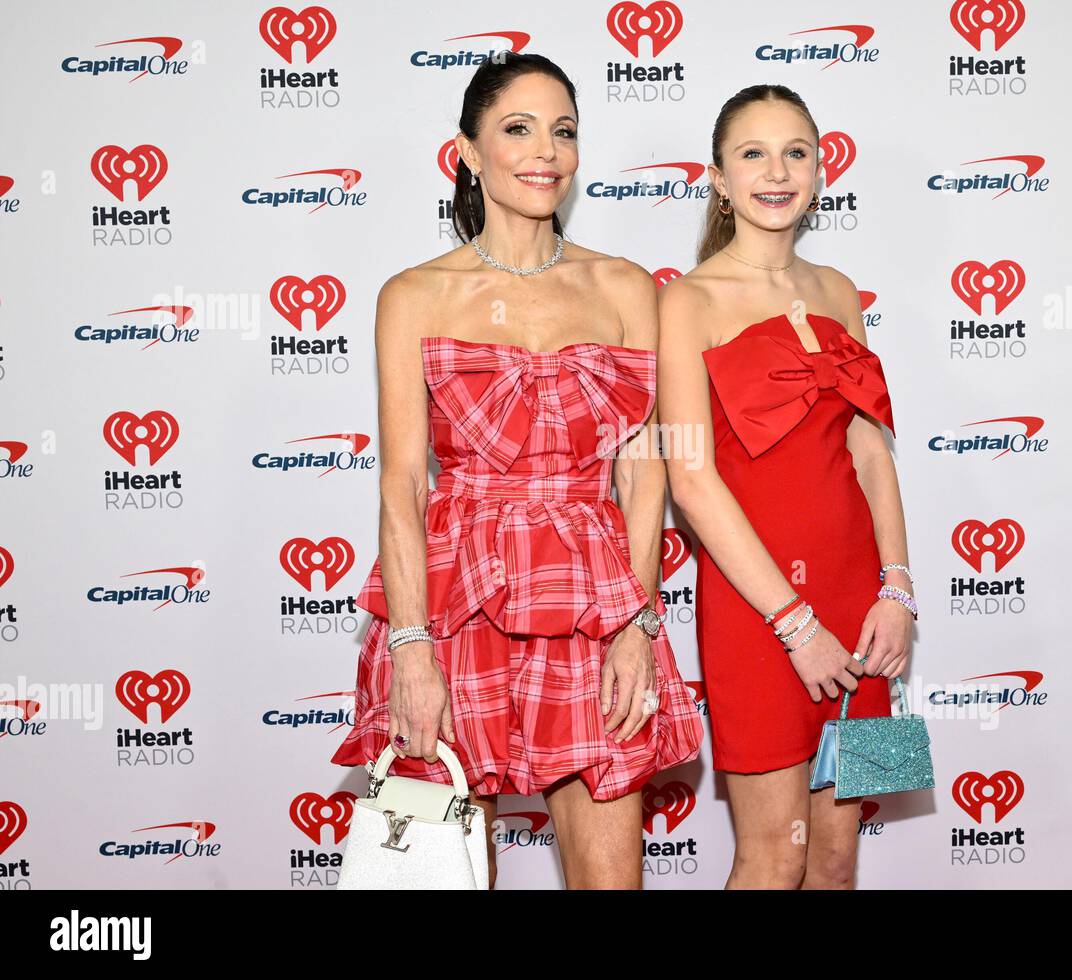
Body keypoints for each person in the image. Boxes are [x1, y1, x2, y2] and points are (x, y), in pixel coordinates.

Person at [331, 52, 702, 890]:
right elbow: (401, 485)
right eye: (518, 129)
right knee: (452, 871)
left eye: (563, 131)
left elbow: (645, 471)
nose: (546, 151)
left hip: (592, 596)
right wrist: (412, 650)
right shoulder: (413, 295)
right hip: (457, 598)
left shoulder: (624, 285)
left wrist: (638, 626)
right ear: (468, 150)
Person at [657, 84, 916, 889]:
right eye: (753, 153)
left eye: (796, 151)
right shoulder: (685, 301)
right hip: (760, 611)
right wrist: (795, 624)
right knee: (775, 859)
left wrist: (898, 590)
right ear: (719, 179)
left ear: (820, 170)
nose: (778, 171)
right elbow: (690, 479)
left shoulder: (841, 290)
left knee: (838, 861)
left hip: (864, 609)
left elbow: (871, 449)